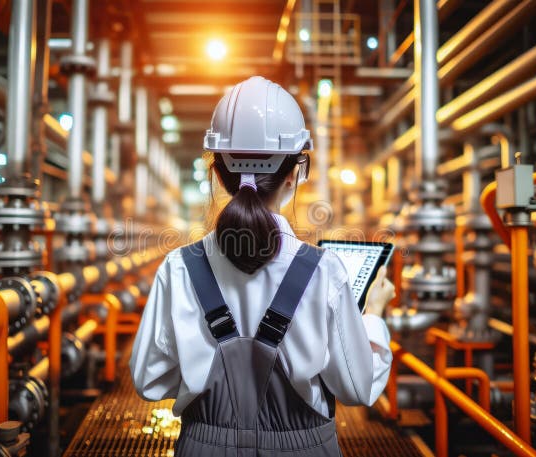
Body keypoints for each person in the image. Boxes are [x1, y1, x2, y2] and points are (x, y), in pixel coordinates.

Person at [130, 76, 395, 456]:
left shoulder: (179, 267)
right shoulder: (325, 271)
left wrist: (198, 370)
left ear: (218, 172)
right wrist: (373, 315)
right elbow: (356, 387)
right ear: (294, 172)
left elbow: (148, 380)